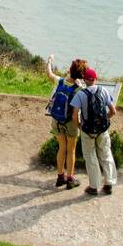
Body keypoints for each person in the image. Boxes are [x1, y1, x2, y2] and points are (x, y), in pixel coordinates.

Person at [71, 68, 117, 195]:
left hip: (88, 131)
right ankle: (109, 183)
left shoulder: (80, 94)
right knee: (106, 154)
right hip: (102, 130)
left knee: (90, 157)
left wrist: (79, 126)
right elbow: (113, 111)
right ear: (96, 79)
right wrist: (105, 119)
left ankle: (94, 186)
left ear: (84, 80)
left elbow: (75, 115)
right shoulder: (104, 91)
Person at [45, 54, 86, 189]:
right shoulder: (80, 89)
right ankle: (70, 179)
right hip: (71, 123)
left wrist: (50, 60)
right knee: (71, 150)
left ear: (70, 69)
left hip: (56, 120)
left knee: (61, 148)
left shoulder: (60, 81)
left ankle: (60, 177)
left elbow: (49, 73)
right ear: (81, 75)